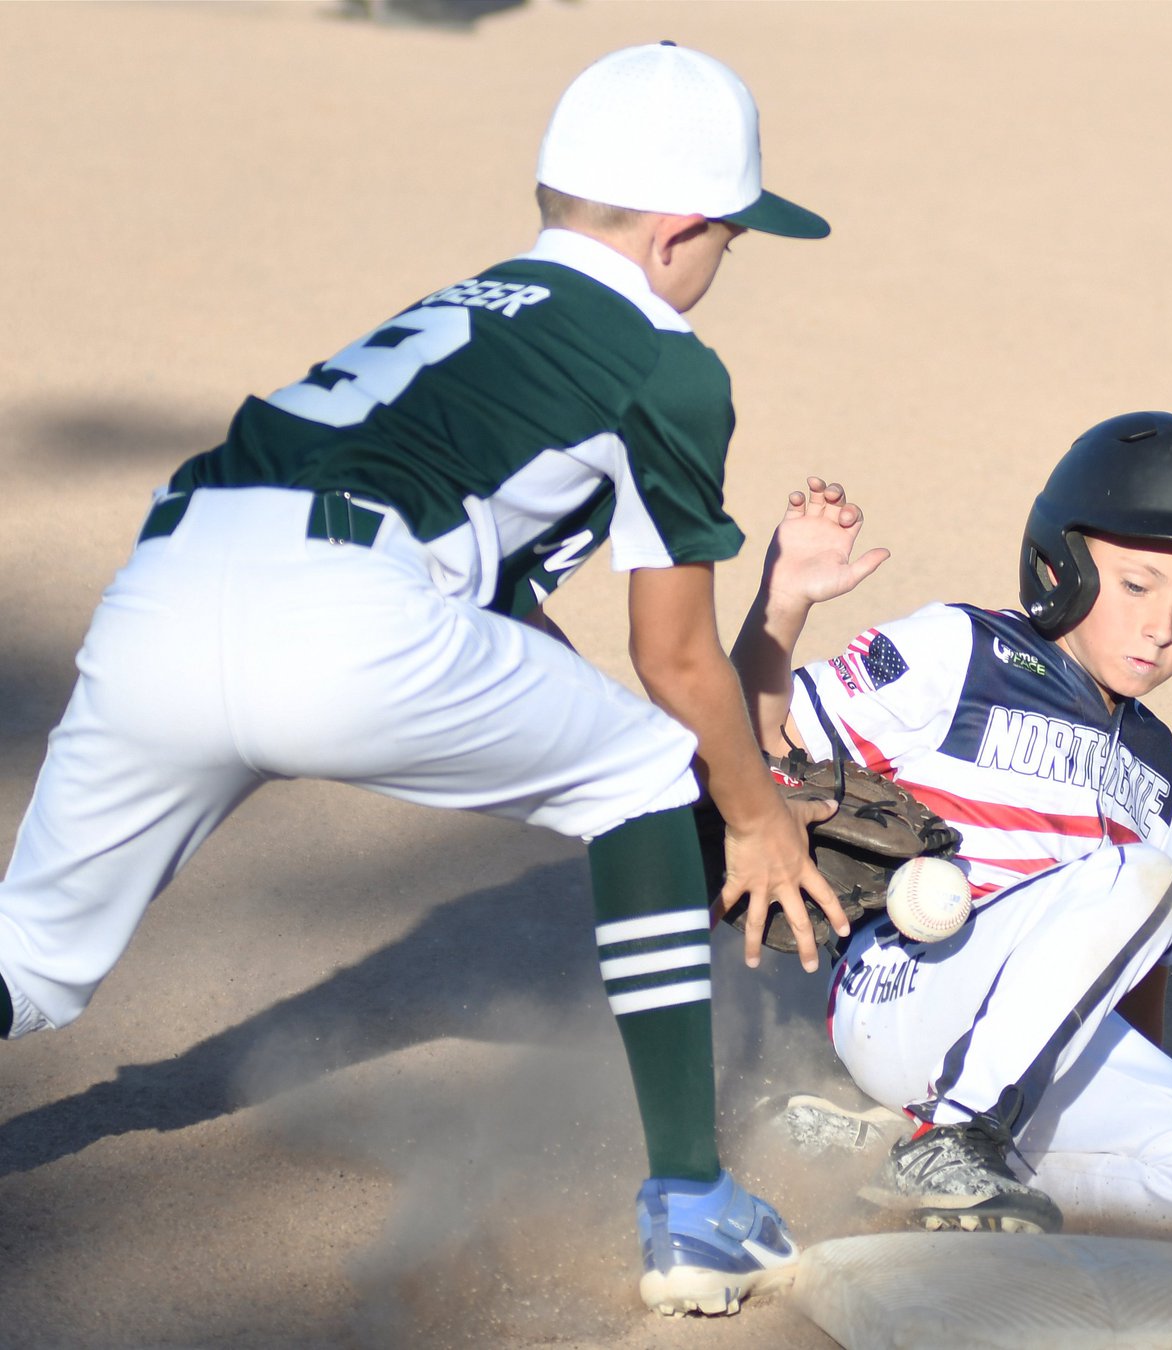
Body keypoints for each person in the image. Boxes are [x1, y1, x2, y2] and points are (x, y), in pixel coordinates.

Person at [0, 42, 853, 1318]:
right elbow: (672, 658)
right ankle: (694, 1210)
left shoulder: (463, 309)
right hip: (348, 618)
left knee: (28, 961)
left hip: (167, 593)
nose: (723, 258)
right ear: (682, 232)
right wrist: (750, 812)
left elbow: (501, 615)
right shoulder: (663, 359)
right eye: (729, 235)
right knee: (638, 774)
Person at [731, 413, 1172, 1237]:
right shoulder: (961, 650)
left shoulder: (1157, 763)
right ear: (1060, 563)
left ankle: (907, 1155)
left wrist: (1147, 1095)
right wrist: (781, 603)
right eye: (1137, 586)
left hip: (1024, 1063)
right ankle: (946, 1142)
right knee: (1140, 878)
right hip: (908, 993)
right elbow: (757, 741)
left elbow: (1135, 977)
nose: (1160, 628)